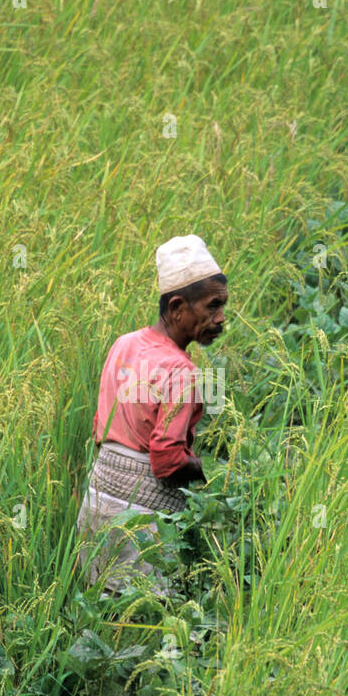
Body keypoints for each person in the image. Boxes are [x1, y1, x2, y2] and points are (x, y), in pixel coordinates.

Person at [74, 234, 229, 597]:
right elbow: (167, 460)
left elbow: (102, 428)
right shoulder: (182, 372)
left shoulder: (124, 343)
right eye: (212, 307)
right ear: (177, 307)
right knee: (141, 623)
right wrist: (205, 475)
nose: (221, 318)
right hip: (141, 521)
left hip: (96, 503)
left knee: (97, 612)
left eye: (222, 306)